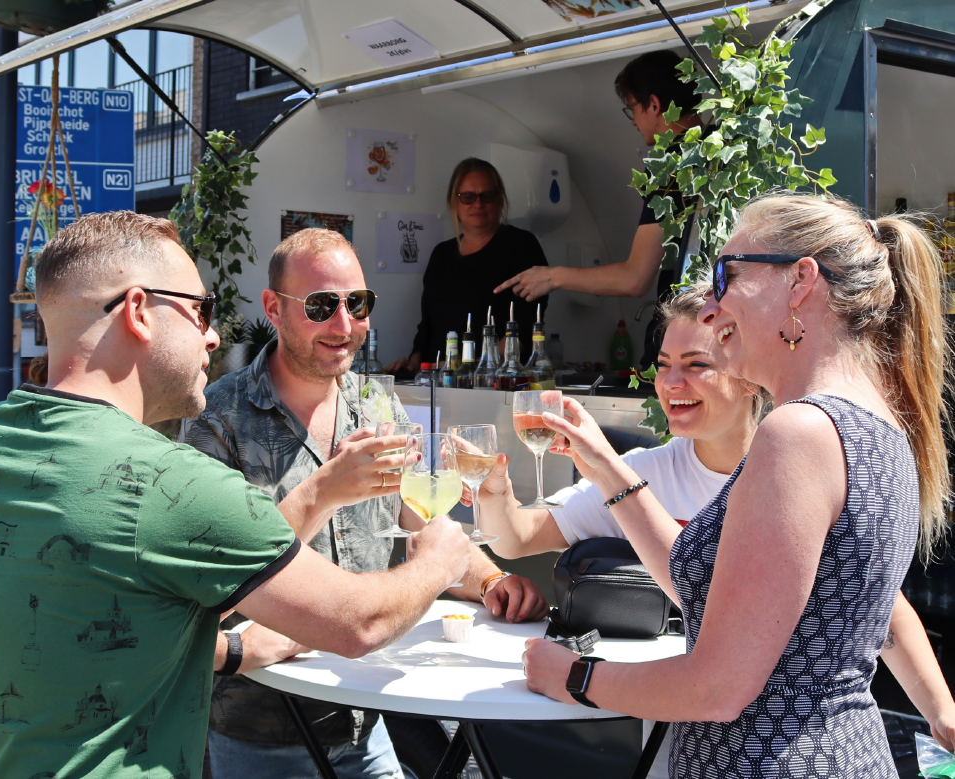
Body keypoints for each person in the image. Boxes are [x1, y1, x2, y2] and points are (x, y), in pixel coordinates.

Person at [0, 211, 473, 779]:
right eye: (200, 310)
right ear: (139, 312)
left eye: (356, 303)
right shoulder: (172, 483)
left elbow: (96, 624)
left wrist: (235, 651)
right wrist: (441, 558)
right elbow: (360, 625)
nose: (212, 334)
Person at [520, 195, 949, 778]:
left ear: (801, 280)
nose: (710, 306)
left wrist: (575, 676)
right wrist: (605, 466)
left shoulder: (798, 433)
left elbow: (717, 686)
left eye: (727, 275)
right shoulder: (876, 424)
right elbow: (724, 594)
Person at [184, 227, 547, 779]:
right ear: (273, 309)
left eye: (358, 303)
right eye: (322, 305)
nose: (344, 325)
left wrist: (491, 580)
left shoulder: (375, 401)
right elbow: (216, 581)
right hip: (264, 728)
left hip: (367, 716)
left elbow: (421, 519)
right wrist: (324, 491)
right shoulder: (218, 418)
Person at [496, 50, 706, 367]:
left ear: (654, 104)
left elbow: (635, 279)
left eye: (632, 109)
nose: (634, 120)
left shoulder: (672, 169)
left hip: (683, 343)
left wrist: (553, 277)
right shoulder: (727, 155)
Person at [384, 158, 548, 375]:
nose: (478, 204)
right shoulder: (441, 254)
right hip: (438, 379)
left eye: (487, 196)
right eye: (468, 197)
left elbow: (525, 324)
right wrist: (414, 363)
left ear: (500, 201)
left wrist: (476, 366)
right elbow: (427, 325)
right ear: (454, 202)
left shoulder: (521, 246)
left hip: (496, 379)